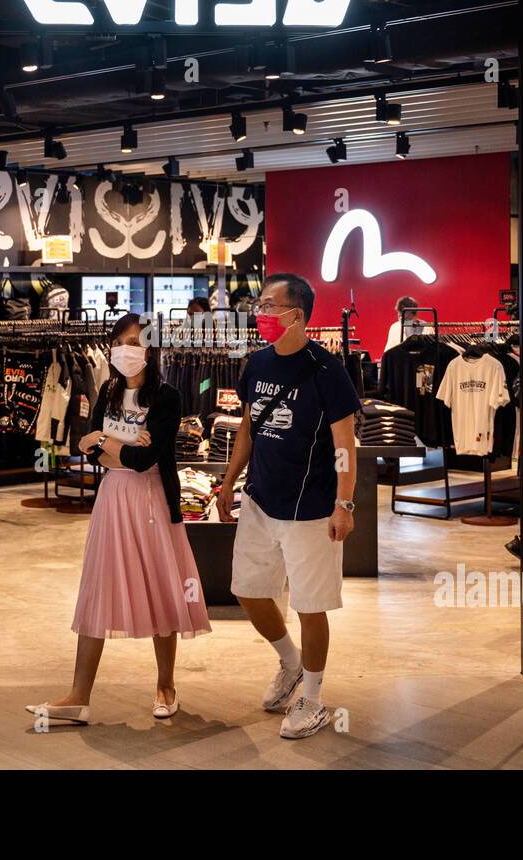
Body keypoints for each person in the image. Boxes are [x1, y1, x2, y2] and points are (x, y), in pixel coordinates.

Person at [27, 313, 211, 726]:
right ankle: (78, 696)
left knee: (161, 586)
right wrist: (115, 444)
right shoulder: (107, 389)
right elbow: (86, 447)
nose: (130, 349)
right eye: (123, 341)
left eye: (138, 342)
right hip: (113, 498)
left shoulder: (166, 396)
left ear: (151, 349)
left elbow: (146, 457)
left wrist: (106, 443)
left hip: (152, 499)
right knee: (98, 588)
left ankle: (166, 684)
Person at [217, 273, 360, 739]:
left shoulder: (327, 370)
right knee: (248, 590)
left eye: (269, 305)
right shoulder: (256, 365)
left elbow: (345, 444)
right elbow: (247, 428)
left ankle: (314, 699)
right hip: (260, 499)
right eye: (260, 304)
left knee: (310, 605)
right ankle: (290, 662)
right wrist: (229, 481)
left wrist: (344, 503)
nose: (261, 313)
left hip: (311, 508)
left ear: (296, 314)